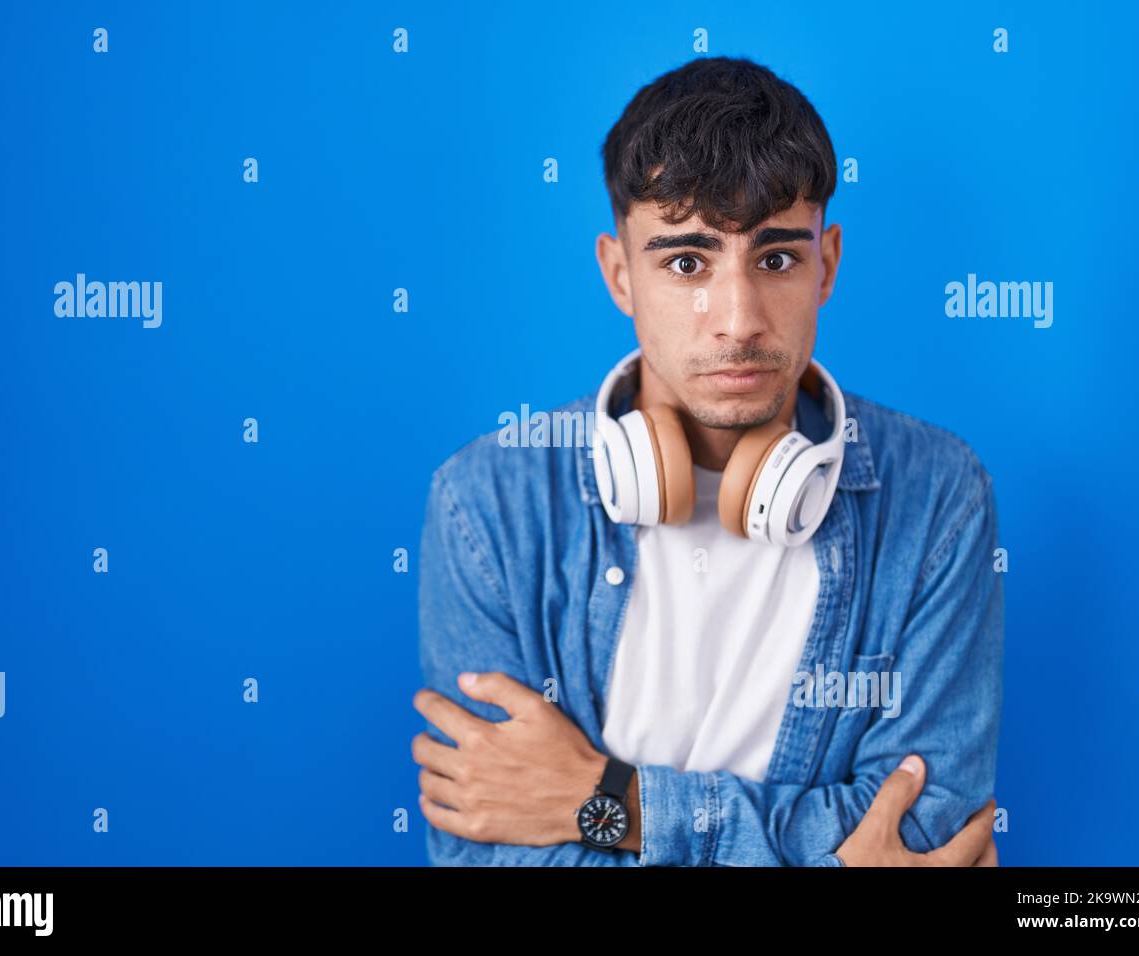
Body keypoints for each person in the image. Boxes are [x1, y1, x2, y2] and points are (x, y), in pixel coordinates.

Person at [411, 55, 1002, 866]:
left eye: (776, 258)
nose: (738, 319)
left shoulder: (936, 496)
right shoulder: (487, 503)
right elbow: (486, 850)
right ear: (621, 274)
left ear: (825, 264)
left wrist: (609, 805)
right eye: (686, 262)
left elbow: (927, 831)